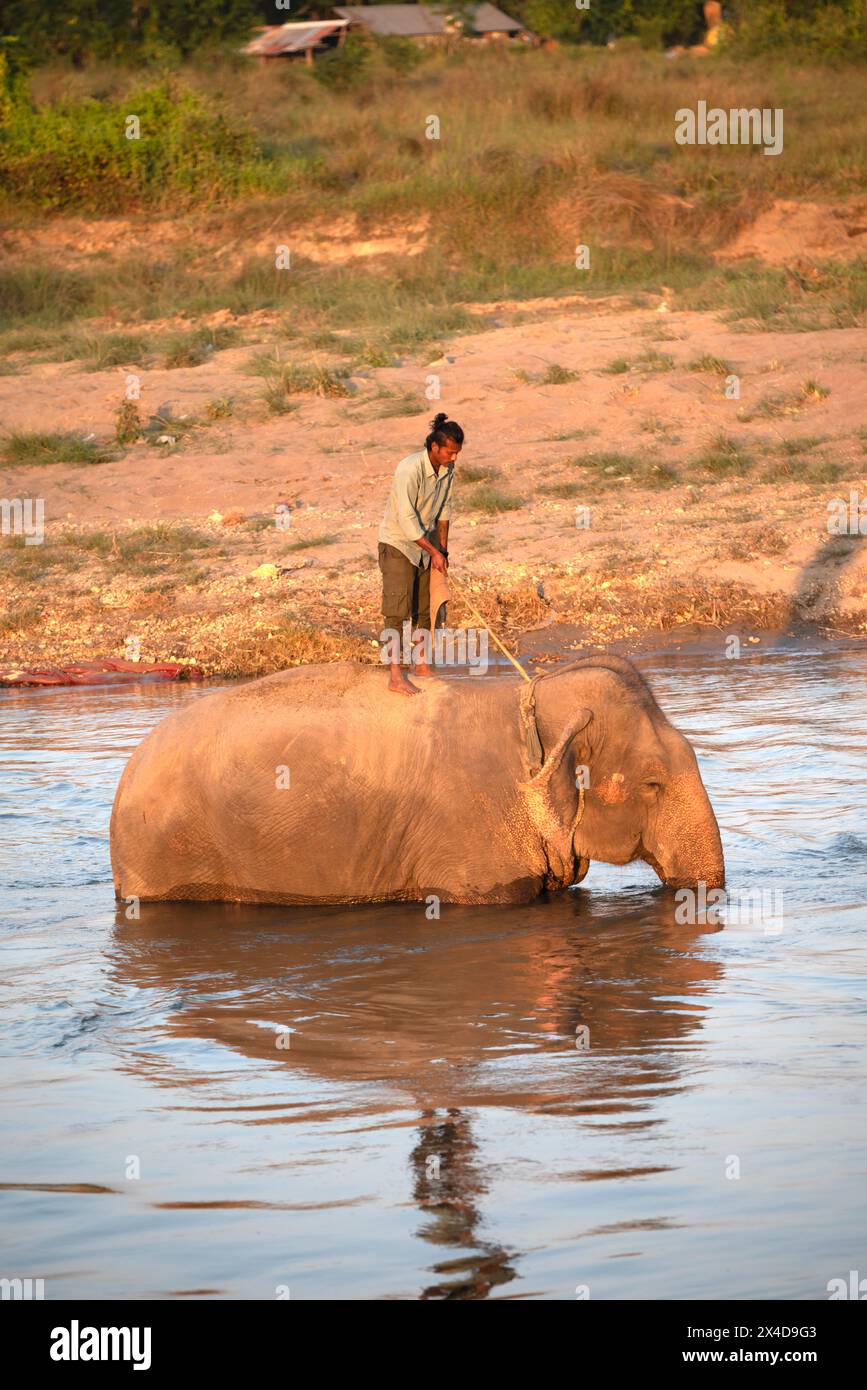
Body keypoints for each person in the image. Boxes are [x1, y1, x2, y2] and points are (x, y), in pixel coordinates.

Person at [377, 412, 463, 695]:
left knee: (426, 608)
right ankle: (395, 676)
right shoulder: (409, 469)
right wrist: (432, 550)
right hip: (399, 544)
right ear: (434, 448)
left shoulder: (448, 471)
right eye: (450, 453)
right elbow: (407, 520)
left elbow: (445, 512)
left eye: (457, 454)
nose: (453, 459)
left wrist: (443, 550)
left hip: (425, 545)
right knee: (397, 612)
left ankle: (421, 664)